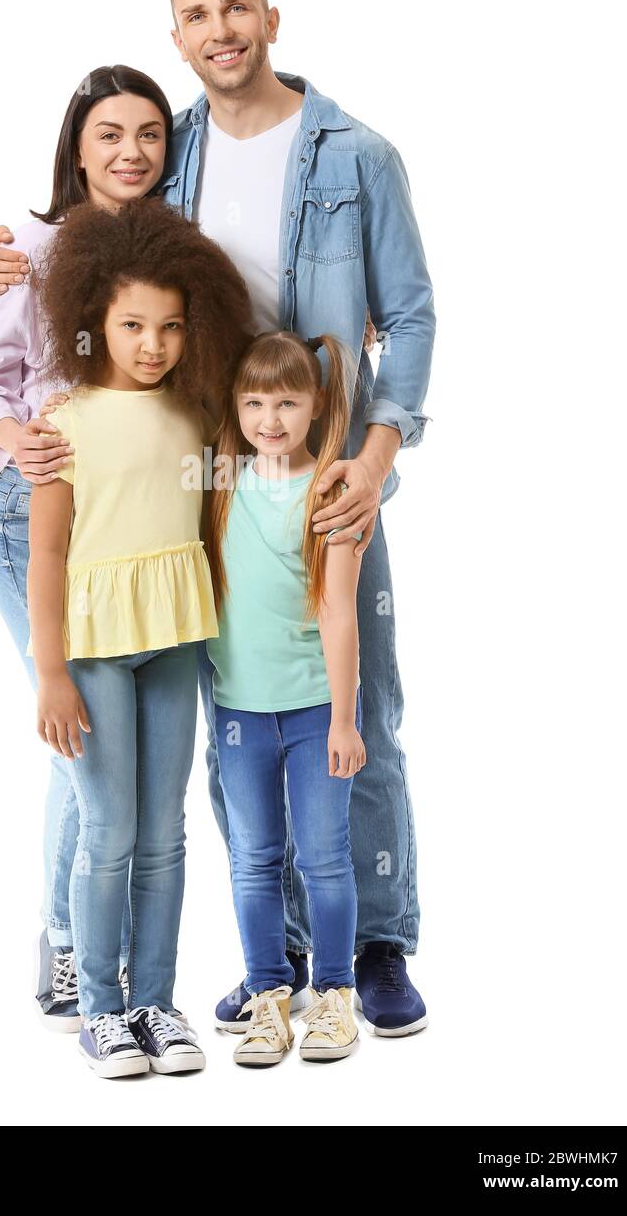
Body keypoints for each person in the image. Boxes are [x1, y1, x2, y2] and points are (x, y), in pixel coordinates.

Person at [0, 0, 436, 1039]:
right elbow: (76, 233)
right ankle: (263, 958)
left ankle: (373, 942)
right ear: (174, 35)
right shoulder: (165, 151)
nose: (219, 29)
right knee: (233, 702)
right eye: (195, 15)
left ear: (270, 19)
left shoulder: (353, 154)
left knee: (350, 696)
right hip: (204, 475)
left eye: (237, 8)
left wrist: (371, 460)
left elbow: (408, 315)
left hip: (320, 471)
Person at [0, 66, 179, 1030]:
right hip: (35, 516)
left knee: (87, 754)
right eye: (108, 134)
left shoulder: (175, 246)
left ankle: (68, 943)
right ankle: (70, 952)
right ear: (76, 147)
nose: (130, 152)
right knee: (81, 735)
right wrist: (18, 438)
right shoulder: (25, 251)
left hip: (141, 526)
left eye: (149, 135)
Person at [26, 195, 253, 1076]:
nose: (152, 344)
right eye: (131, 325)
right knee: (108, 825)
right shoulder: (65, 425)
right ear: (95, 320)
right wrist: (50, 671)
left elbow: (238, 503)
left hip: (176, 640)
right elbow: (45, 553)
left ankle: (157, 1003)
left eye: (169, 327)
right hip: (91, 649)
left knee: (165, 828)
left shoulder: (198, 420)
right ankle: (100, 1009)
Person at [205, 329, 366, 1066]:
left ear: (316, 404)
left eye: (287, 402)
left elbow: (338, 612)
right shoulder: (217, 478)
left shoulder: (329, 489)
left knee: (325, 858)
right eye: (254, 401)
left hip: (312, 712)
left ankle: (335, 995)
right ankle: (269, 992)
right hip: (240, 710)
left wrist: (342, 718)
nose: (270, 418)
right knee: (254, 857)